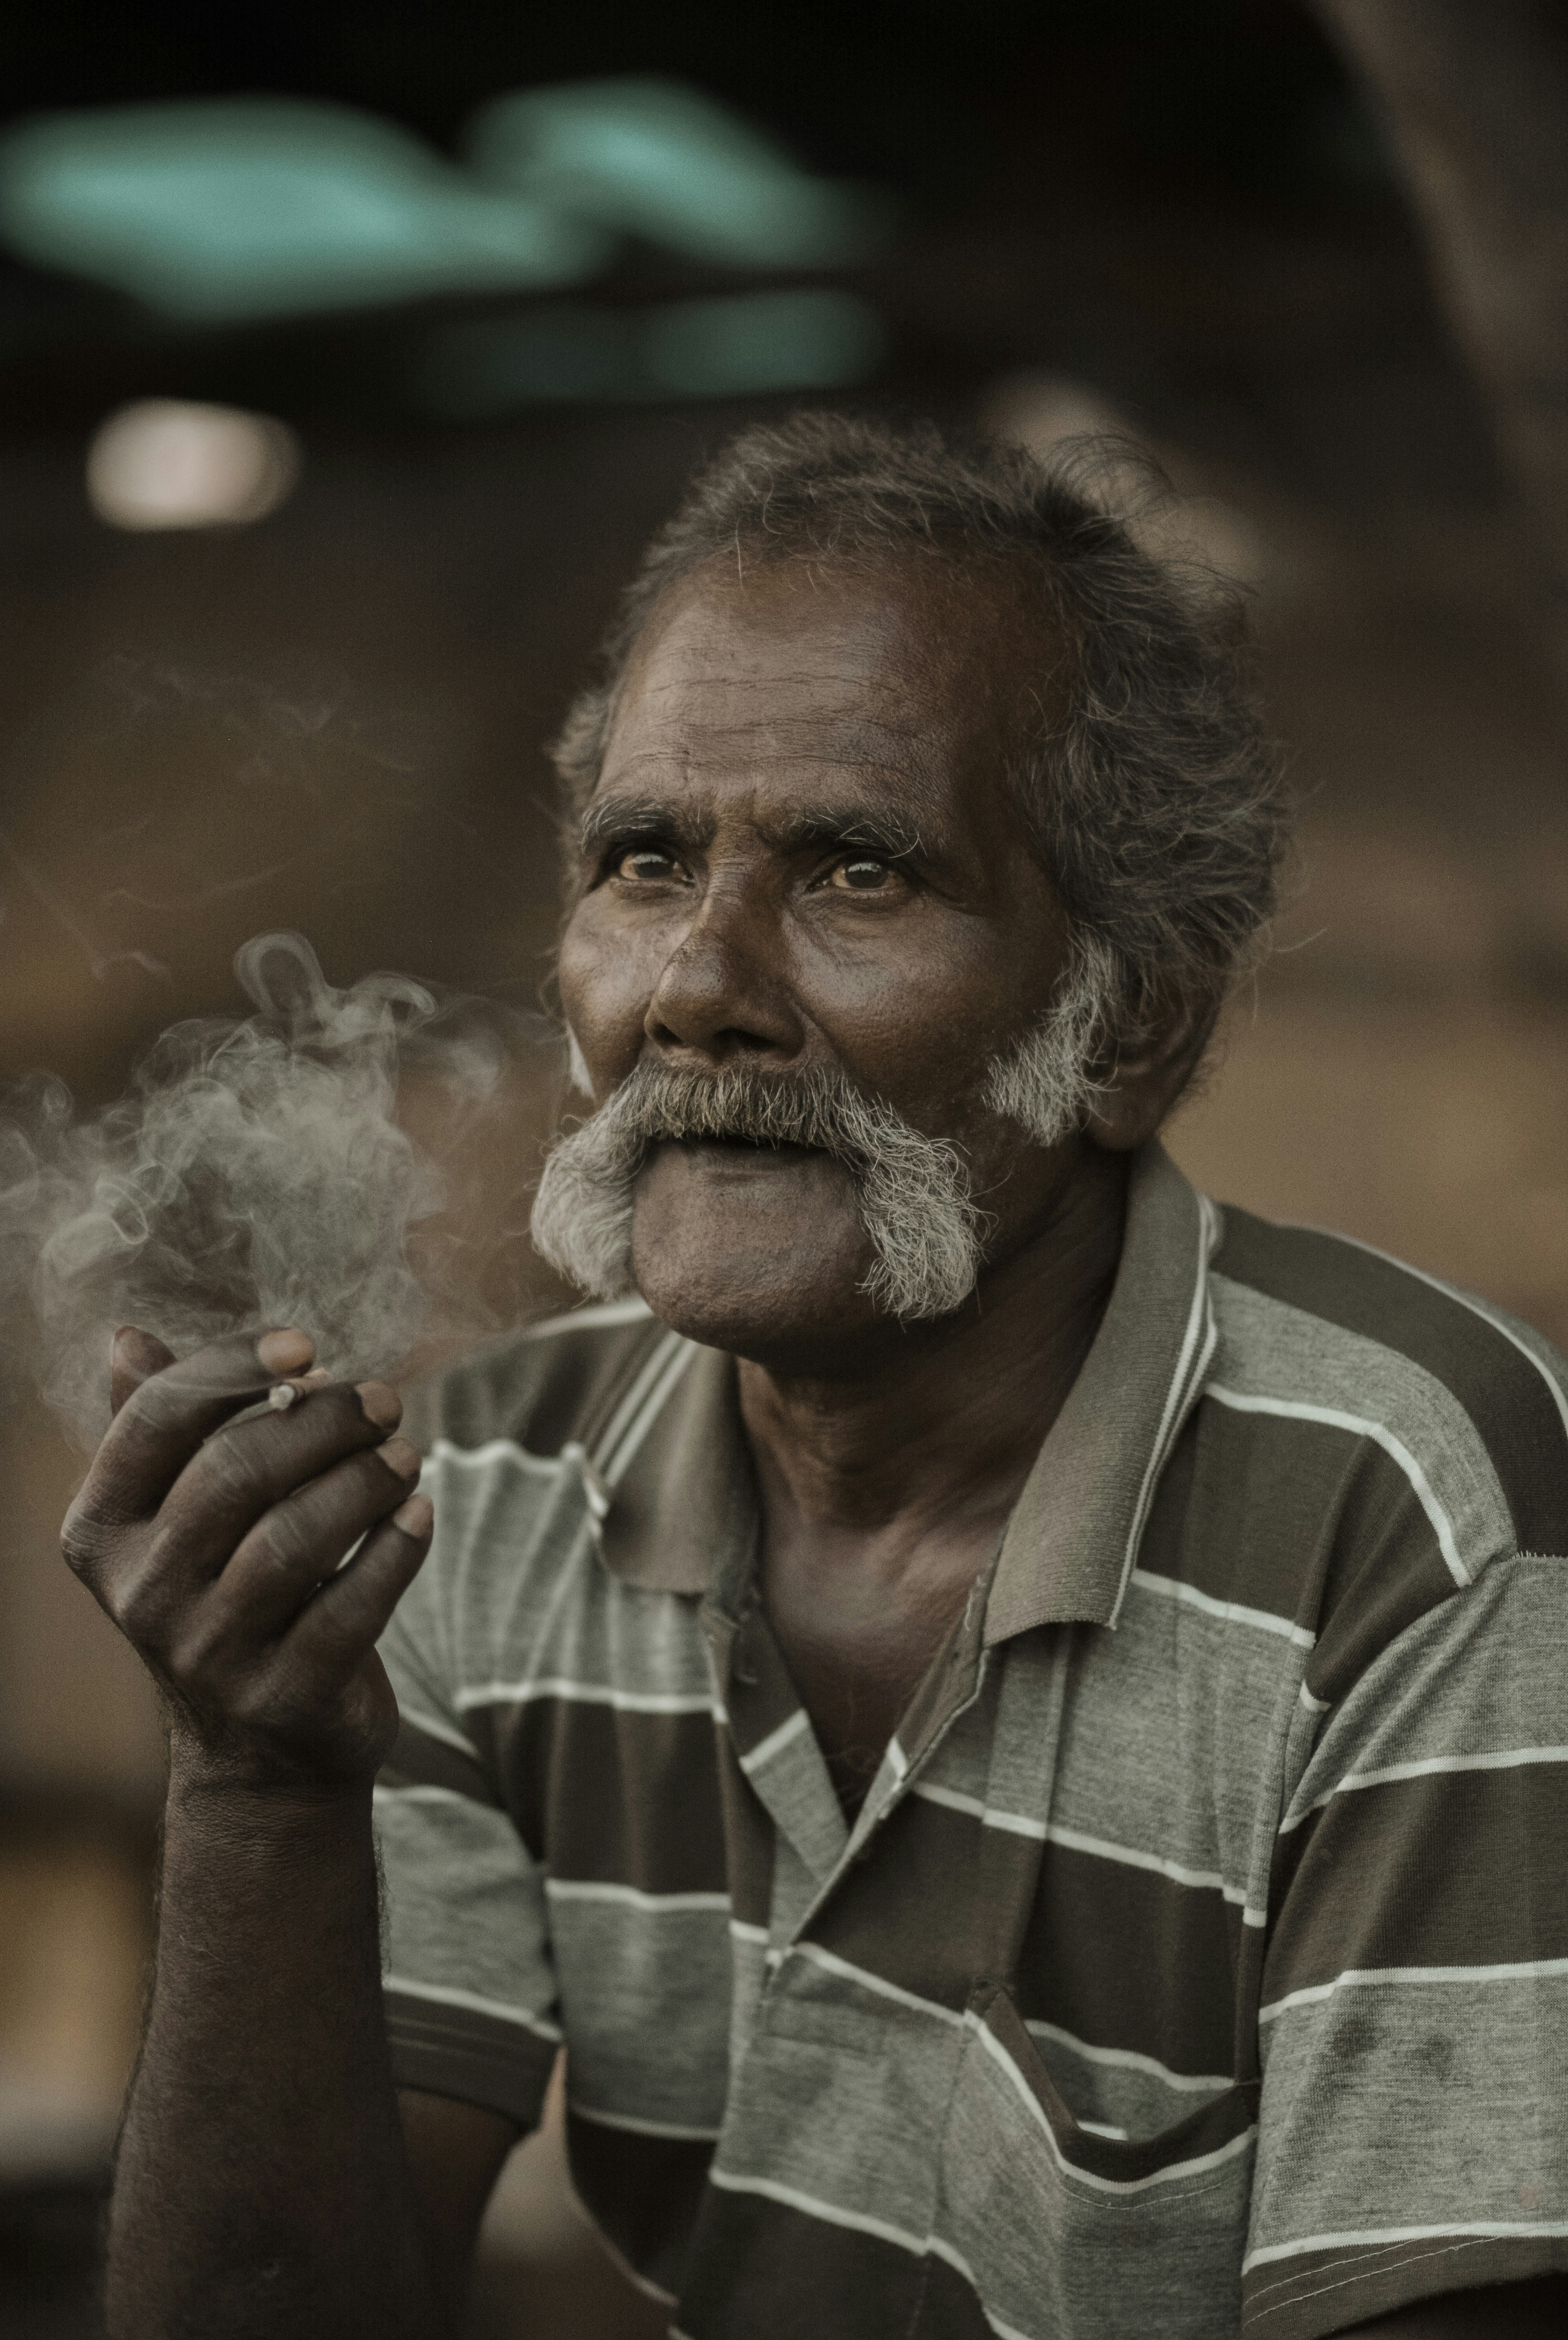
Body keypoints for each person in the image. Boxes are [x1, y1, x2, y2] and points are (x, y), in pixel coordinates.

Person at [69, 416, 1566, 2339]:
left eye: (857, 873)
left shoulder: (1415, 1527)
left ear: (1126, 1021)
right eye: (642, 862)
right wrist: (257, 1778)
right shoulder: (500, 1490)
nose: (696, 984)